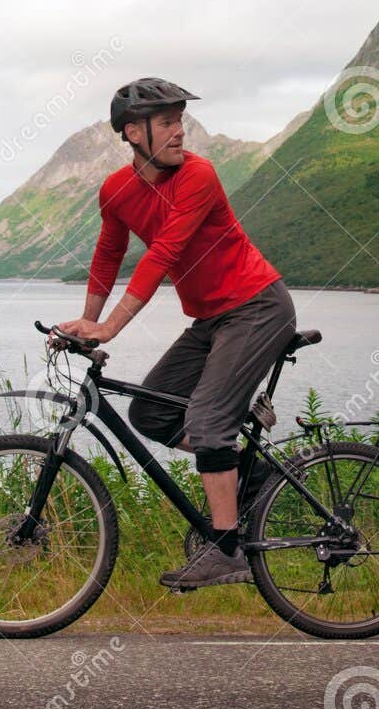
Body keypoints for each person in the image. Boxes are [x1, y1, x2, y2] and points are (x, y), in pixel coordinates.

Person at [58, 79, 296, 591]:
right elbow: (107, 256)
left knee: (209, 420)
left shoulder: (199, 176)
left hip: (257, 307)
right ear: (133, 132)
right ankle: (250, 475)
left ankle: (228, 551)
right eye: (166, 122)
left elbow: (161, 255)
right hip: (212, 319)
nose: (178, 131)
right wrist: (87, 323)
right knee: (151, 411)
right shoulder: (116, 191)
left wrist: (111, 327)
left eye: (178, 120)